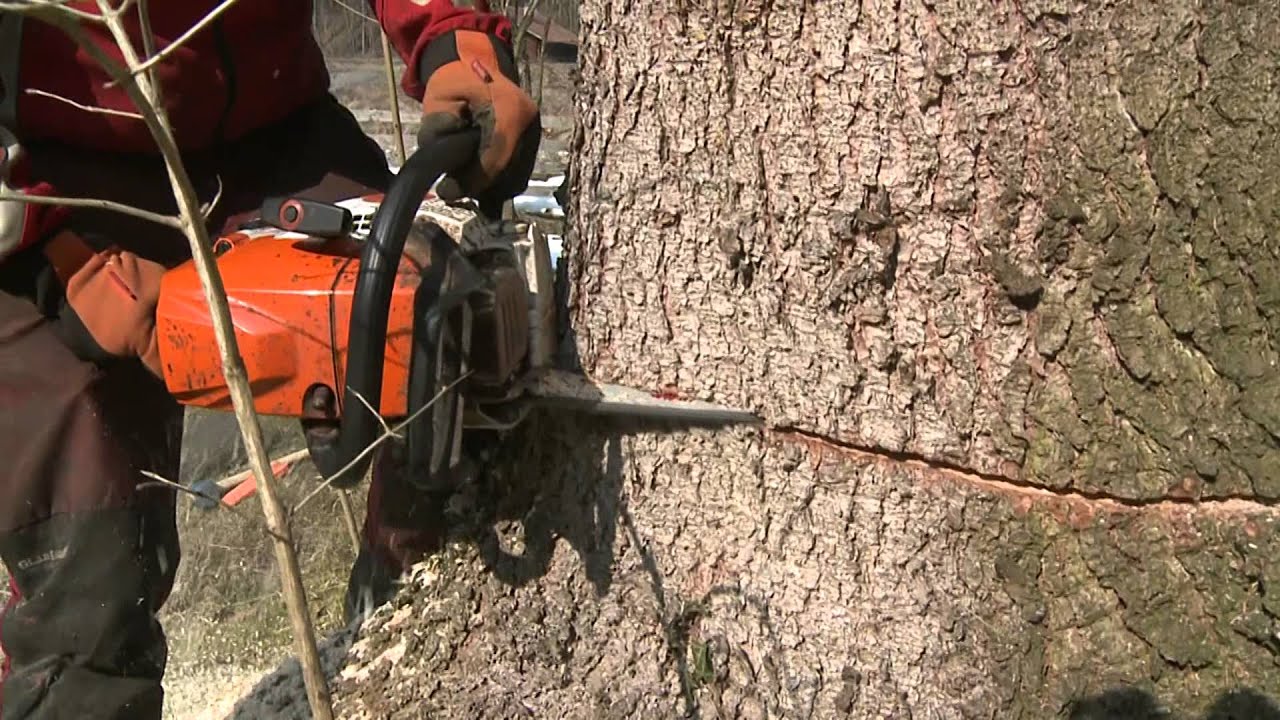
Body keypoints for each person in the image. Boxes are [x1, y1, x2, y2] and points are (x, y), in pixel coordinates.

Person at [0, 2, 541, 718]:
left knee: (445, 327)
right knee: (87, 568)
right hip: (46, 174)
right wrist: (55, 256)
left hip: (274, 135)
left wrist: (454, 37)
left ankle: (404, 647)